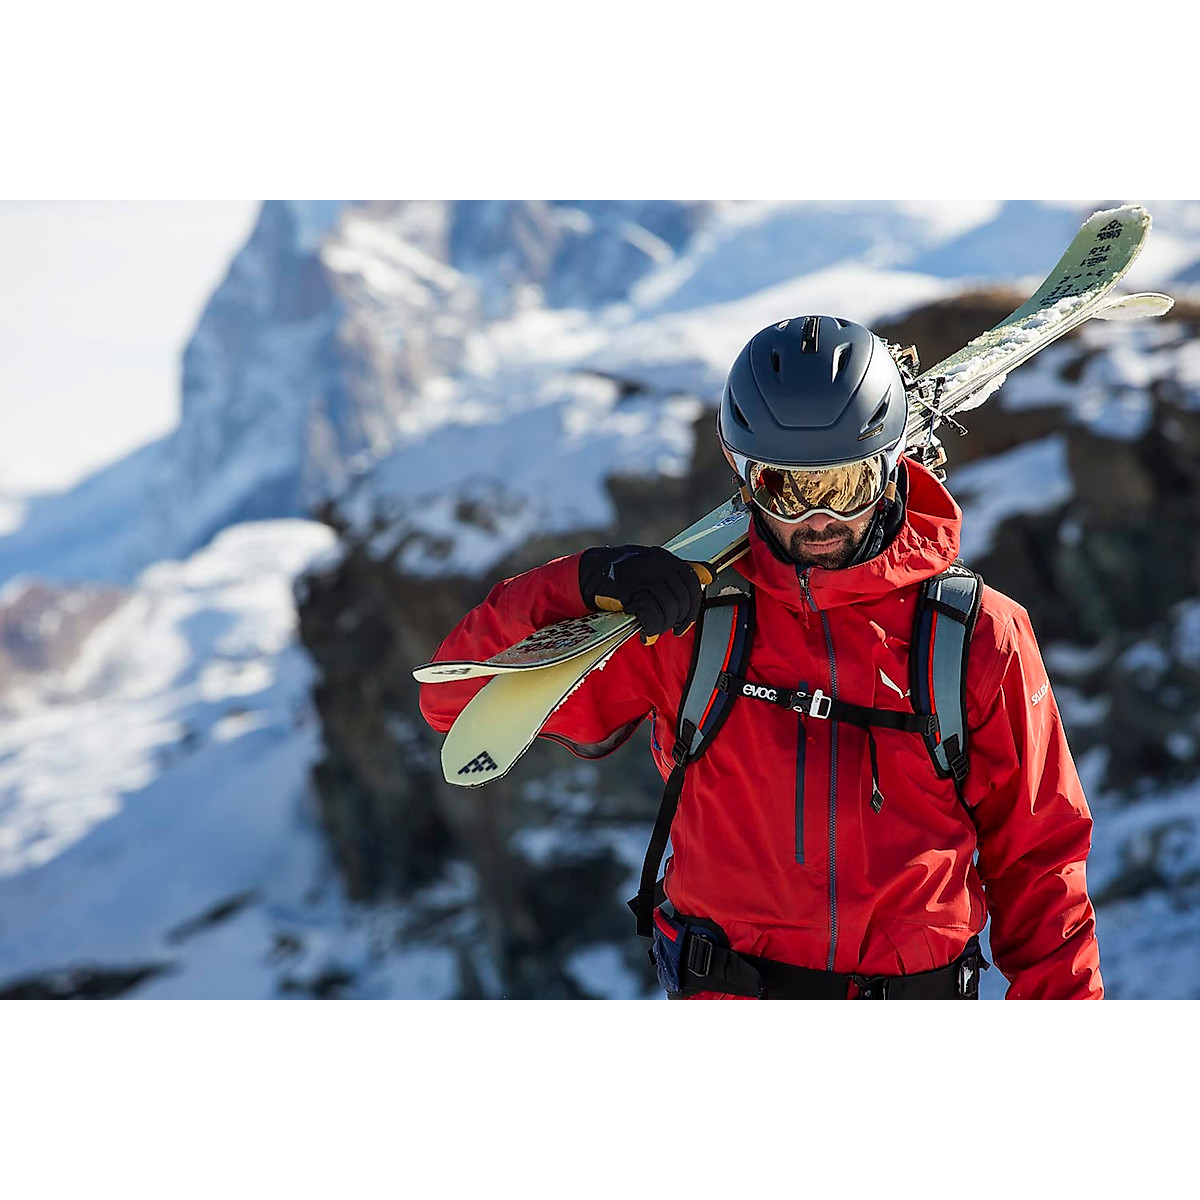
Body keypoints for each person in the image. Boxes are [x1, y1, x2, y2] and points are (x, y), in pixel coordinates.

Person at [420, 315, 1103, 1000]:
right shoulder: (689, 628)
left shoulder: (975, 634)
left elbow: (1041, 864)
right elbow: (454, 703)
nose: (818, 518)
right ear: (743, 478)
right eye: (787, 489)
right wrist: (583, 582)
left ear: (893, 465)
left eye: (845, 486)